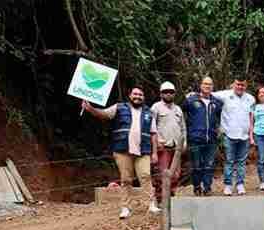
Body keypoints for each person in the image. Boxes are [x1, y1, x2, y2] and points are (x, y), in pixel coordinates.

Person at [82, 87, 158, 219]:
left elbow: (154, 134)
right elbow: (104, 114)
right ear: (129, 95)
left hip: (143, 150)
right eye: (135, 94)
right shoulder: (119, 107)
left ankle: (151, 205)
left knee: (145, 176)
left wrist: (155, 153)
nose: (138, 96)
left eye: (140, 94)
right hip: (122, 149)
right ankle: (125, 208)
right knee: (126, 180)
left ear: (143, 97)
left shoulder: (149, 112)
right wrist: (90, 109)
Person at [212, 77, 255, 195]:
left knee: (241, 162)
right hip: (229, 135)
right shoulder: (225, 95)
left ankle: (240, 184)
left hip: (244, 136)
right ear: (233, 84)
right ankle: (228, 185)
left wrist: (251, 135)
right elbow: (209, 93)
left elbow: (251, 118)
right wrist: (194, 94)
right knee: (229, 161)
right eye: (238, 84)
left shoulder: (250, 99)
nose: (240, 87)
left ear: (246, 86)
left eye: (243, 85)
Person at [182, 77, 223, 196]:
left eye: (210, 84)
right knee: (196, 165)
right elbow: (181, 112)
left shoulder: (216, 102)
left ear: (212, 87)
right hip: (195, 138)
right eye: (205, 84)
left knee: (209, 165)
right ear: (201, 85)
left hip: (211, 138)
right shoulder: (191, 100)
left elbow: (219, 117)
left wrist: (218, 130)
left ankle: (207, 187)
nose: (207, 86)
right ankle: (196, 186)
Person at [150, 81, 186, 209]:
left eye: (171, 92)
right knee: (162, 175)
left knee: (176, 175)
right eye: (166, 92)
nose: (168, 94)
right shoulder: (156, 107)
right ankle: (161, 200)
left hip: (176, 148)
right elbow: (152, 127)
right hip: (163, 146)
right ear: (161, 94)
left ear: (174, 93)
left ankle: (171, 198)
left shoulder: (178, 109)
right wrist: (156, 142)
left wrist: (184, 142)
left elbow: (183, 127)